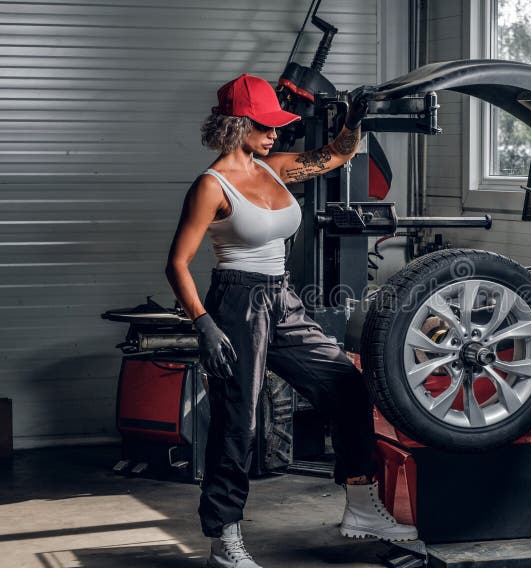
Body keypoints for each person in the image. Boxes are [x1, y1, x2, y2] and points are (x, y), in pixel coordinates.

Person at [165, 73, 417, 568]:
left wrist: (354, 119)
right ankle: (224, 539)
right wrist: (203, 322)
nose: (276, 132)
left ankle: (362, 508)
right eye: (265, 124)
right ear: (237, 125)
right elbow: (176, 262)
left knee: (347, 386)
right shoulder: (211, 186)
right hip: (235, 303)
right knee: (237, 421)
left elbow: (338, 155)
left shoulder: (276, 168)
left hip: (282, 300)